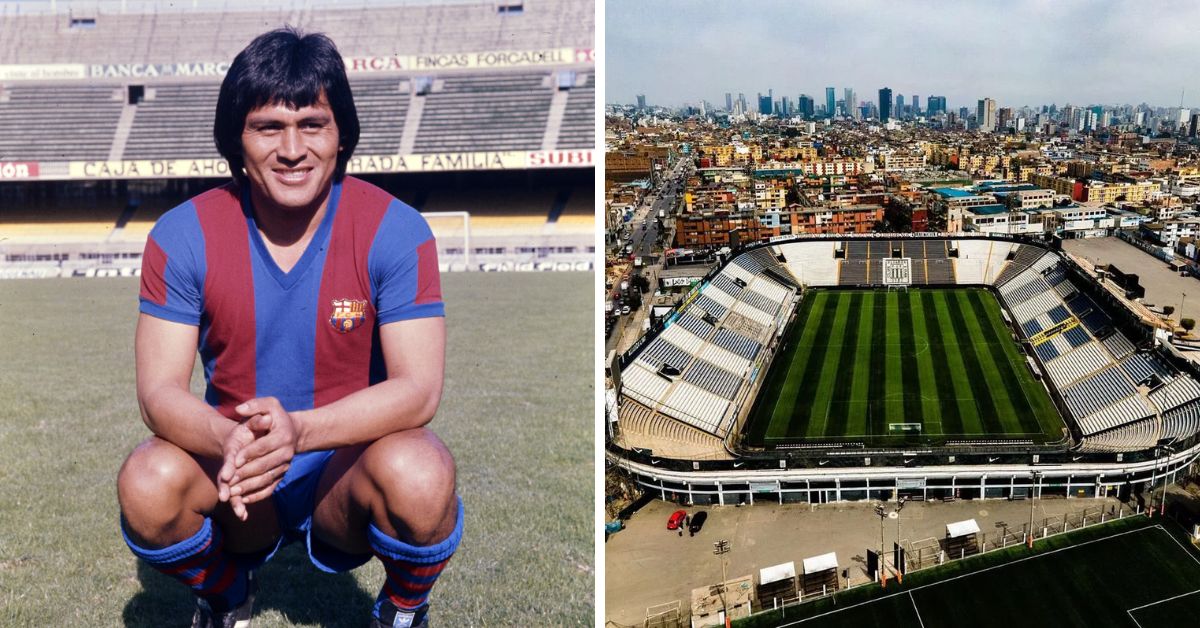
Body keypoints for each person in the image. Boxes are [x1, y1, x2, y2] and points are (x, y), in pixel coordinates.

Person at [117, 28, 460, 628]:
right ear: (236, 139)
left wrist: (300, 432)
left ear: (341, 135)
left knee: (423, 473)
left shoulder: (397, 231)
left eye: (312, 124)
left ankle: (403, 610)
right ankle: (225, 594)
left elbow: (419, 390)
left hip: (344, 472)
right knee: (147, 482)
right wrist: (230, 441)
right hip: (240, 473)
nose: (293, 148)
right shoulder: (181, 235)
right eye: (268, 127)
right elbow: (159, 393)